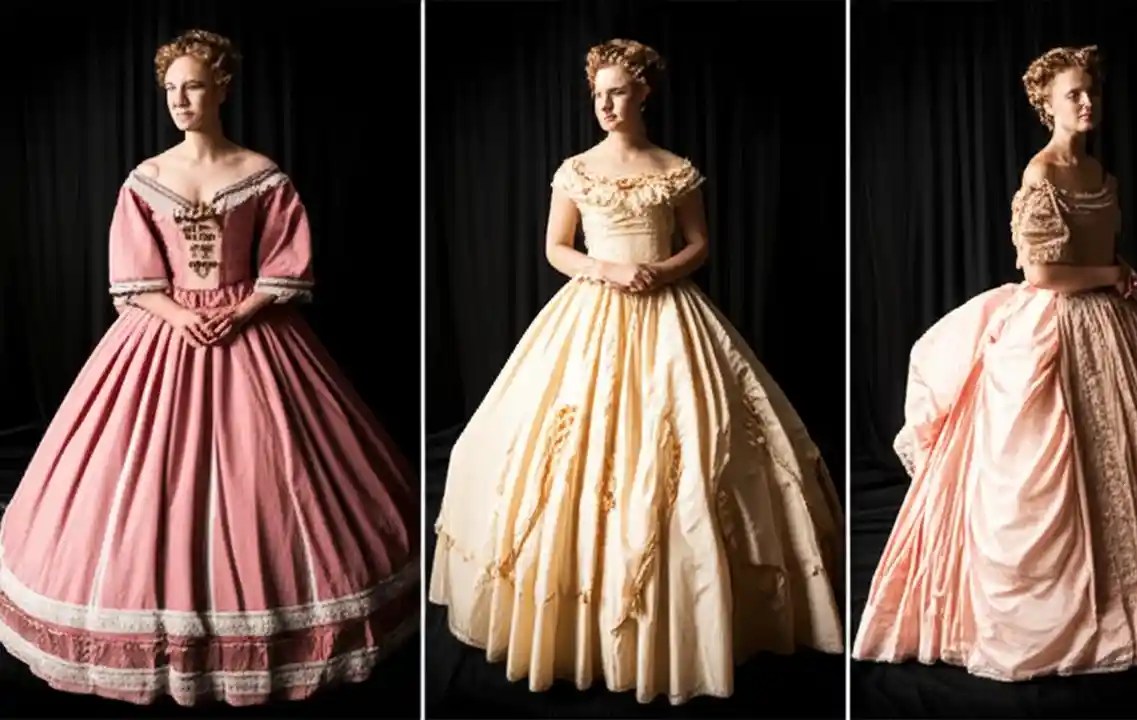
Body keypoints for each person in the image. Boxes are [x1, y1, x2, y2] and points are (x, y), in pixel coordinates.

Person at [0, 29, 419, 706]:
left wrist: (243, 310)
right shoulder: (148, 177)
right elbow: (133, 274)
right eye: (171, 89)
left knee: (275, 473)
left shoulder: (261, 173)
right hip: (162, 332)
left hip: (253, 331)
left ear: (223, 86)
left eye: (193, 85)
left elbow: (286, 263)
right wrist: (179, 315)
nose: (180, 100)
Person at [429, 38, 845, 705]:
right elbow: (556, 247)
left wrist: (661, 272)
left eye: (618, 90)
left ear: (645, 92)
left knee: (695, 444)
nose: (605, 103)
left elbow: (700, 242)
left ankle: (698, 615)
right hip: (592, 308)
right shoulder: (575, 170)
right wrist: (610, 270)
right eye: (597, 93)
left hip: (670, 310)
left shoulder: (674, 168)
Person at [852, 45, 1137, 681]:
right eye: (1074, 94)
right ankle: (1054, 604)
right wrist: (1113, 273)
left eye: (1092, 92)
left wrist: (1112, 280)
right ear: (1047, 104)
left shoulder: (1097, 170)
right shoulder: (1039, 175)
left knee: (1134, 456)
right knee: (1042, 462)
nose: (1088, 103)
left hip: (1114, 327)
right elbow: (1041, 272)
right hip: (1056, 323)